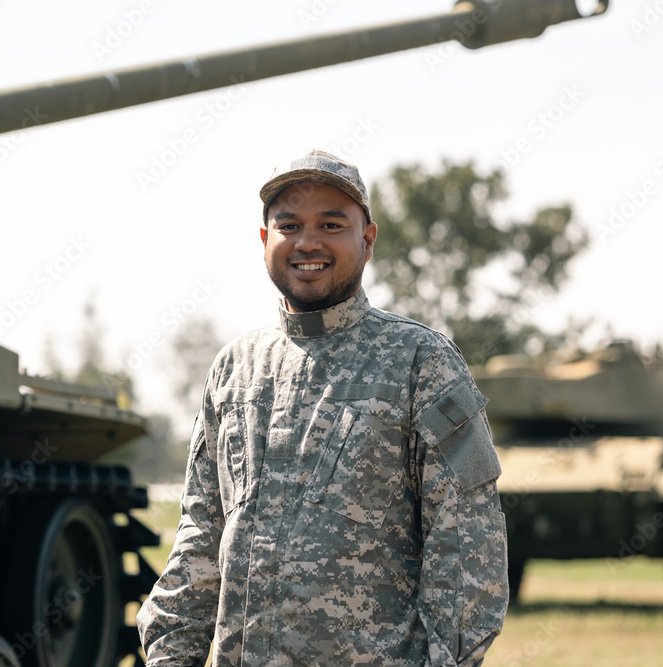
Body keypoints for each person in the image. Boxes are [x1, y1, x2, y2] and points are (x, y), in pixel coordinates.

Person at [137, 150, 508, 666]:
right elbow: (201, 536)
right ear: (265, 241)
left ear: (368, 240)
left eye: (331, 224)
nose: (308, 242)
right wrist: (171, 655)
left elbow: (468, 544)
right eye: (289, 225)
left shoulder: (422, 362)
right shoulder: (234, 370)